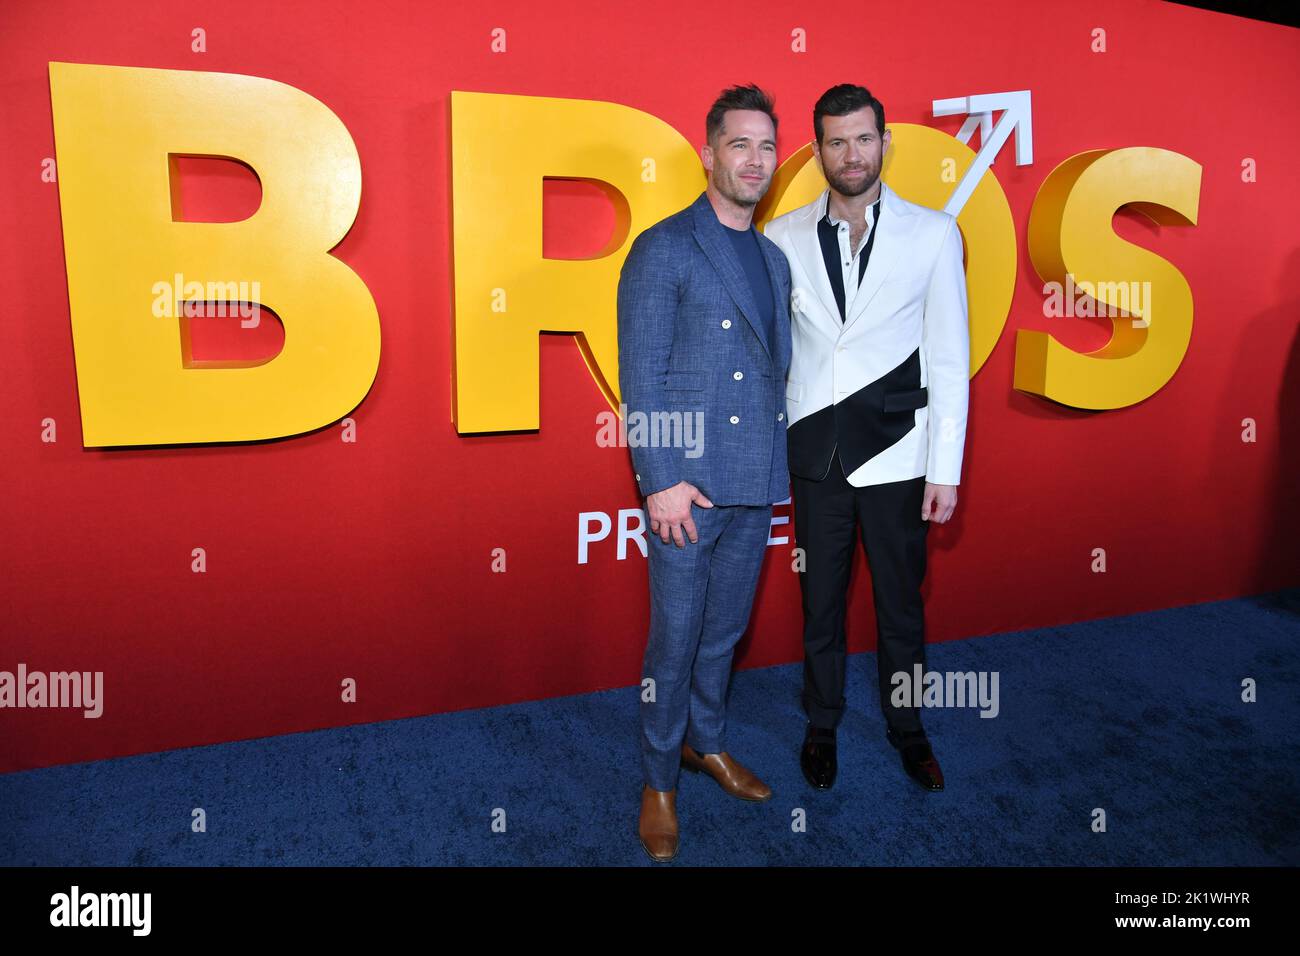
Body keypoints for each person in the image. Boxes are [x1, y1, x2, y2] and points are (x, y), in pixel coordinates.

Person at [764, 83, 970, 793]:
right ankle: (821, 724)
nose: (851, 154)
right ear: (817, 149)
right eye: (836, 141)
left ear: (885, 142)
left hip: (898, 454)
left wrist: (945, 469)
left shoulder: (935, 234)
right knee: (818, 602)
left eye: (862, 138)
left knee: (900, 607)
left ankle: (908, 729)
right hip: (816, 453)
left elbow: (948, 357)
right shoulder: (781, 237)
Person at [616, 84, 792, 862]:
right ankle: (659, 778)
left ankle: (707, 743)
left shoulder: (775, 257)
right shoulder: (663, 246)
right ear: (708, 153)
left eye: (765, 146)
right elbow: (642, 376)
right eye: (739, 144)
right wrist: (658, 479)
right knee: (675, 641)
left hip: (754, 479)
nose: (753, 159)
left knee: (724, 633)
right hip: (686, 485)